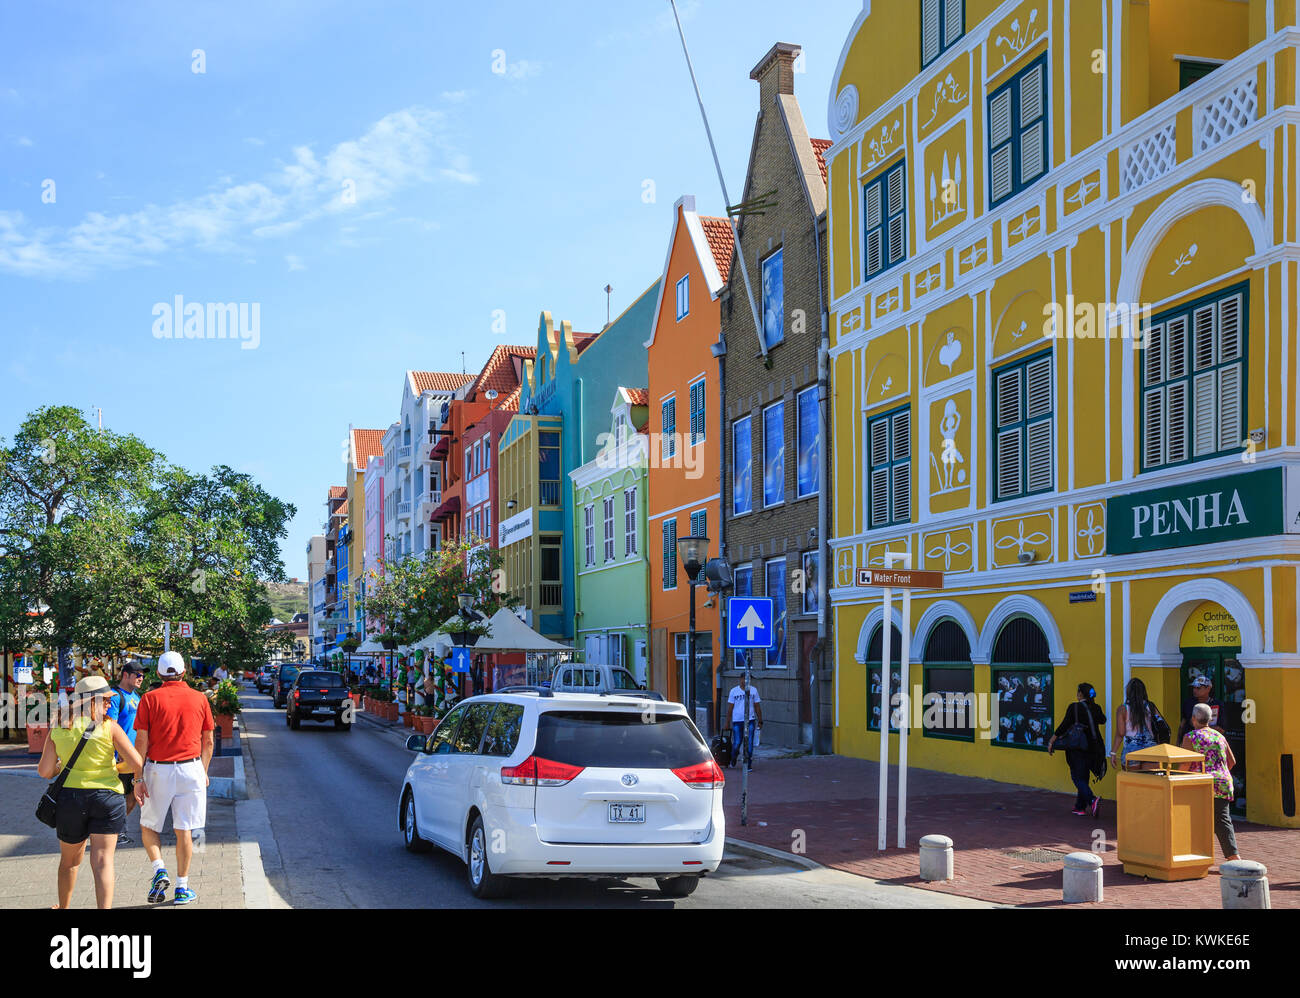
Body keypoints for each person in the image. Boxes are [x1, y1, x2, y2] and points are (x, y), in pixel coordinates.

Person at [37, 676, 144, 909]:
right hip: (107, 799)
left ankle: (64, 907)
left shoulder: (59, 726)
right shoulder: (110, 728)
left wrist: (62, 766)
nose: (109, 704)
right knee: (104, 862)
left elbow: (45, 771)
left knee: (69, 861)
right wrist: (115, 768)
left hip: (70, 799)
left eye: (110, 699)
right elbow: (136, 762)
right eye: (105, 699)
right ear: (91, 701)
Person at [132, 650, 214, 906]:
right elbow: (208, 741)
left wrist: (137, 777)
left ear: (158, 673)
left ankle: (159, 869)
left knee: (148, 826)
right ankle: (182, 888)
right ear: (183, 672)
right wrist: (204, 771)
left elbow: (142, 740)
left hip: (158, 769)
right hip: (191, 769)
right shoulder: (200, 698)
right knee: (185, 830)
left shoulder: (148, 698)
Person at [1182, 702, 1240, 864]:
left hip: (1200, 784)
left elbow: (1185, 764)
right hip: (1222, 782)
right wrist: (1218, 772)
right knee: (1222, 820)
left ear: (1193, 718)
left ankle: (1198, 854)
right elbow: (1232, 761)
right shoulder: (1219, 736)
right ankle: (1232, 855)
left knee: (1196, 819)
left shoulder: (1191, 737)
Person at [1048, 682, 1107, 816]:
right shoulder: (1096, 708)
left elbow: (1064, 725)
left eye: (1077, 691)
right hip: (1094, 747)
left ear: (1080, 693)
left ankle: (1092, 799)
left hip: (1078, 746)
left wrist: (1052, 740)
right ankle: (1080, 807)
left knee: (1076, 776)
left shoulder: (1074, 707)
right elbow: (1103, 720)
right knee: (1083, 776)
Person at [105, 661, 145, 844]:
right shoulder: (115, 697)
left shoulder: (137, 697)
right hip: (119, 757)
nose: (141, 678)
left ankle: (116, 828)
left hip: (134, 756)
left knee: (133, 796)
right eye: (137, 675)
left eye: (142, 675)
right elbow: (109, 726)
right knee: (119, 795)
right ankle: (115, 831)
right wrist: (119, 750)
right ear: (126, 675)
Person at [1110, 677, 1166, 770]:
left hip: (1131, 751)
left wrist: (1113, 753)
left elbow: (1120, 733)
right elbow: (1161, 726)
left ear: (1128, 692)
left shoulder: (1123, 709)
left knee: (1133, 782)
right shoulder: (1151, 707)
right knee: (1149, 782)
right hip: (1151, 749)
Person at [726, 673, 763, 772]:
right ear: (740, 679)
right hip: (737, 721)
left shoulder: (754, 690)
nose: (746, 681)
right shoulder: (734, 691)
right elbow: (730, 708)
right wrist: (727, 722)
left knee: (749, 743)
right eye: (744, 679)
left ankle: (748, 763)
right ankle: (733, 758)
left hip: (750, 720)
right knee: (737, 742)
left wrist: (760, 720)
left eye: (749, 679)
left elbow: (757, 706)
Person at [1177, 674, 1222, 743]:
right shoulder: (1188, 703)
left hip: (1211, 743)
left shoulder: (1218, 704)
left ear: (1208, 688)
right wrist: (1178, 742)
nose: (1194, 690)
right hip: (1190, 742)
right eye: (1194, 687)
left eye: (1198, 688)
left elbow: (1222, 729)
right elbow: (1183, 723)